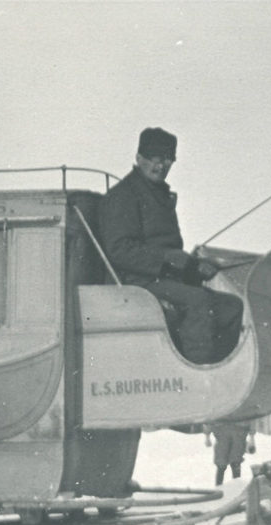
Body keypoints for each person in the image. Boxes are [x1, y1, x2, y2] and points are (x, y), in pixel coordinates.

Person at [98, 127, 244, 364]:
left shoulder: (157, 194)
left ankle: (218, 367)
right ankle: (199, 372)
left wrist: (194, 266)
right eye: (154, 159)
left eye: (167, 159)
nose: (160, 166)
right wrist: (171, 259)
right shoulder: (123, 196)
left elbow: (169, 252)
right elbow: (120, 251)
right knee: (198, 301)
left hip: (164, 279)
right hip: (136, 281)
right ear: (139, 159)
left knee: (231, 306)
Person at [209, 419, 254, 485]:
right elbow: (211, 413)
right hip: (221, 430)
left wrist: (252, 437)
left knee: (236, 463)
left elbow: (251, 414)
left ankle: (236, 490)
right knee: (221, 464)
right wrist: (207, 435)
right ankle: (218, 490)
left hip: (239, 430)